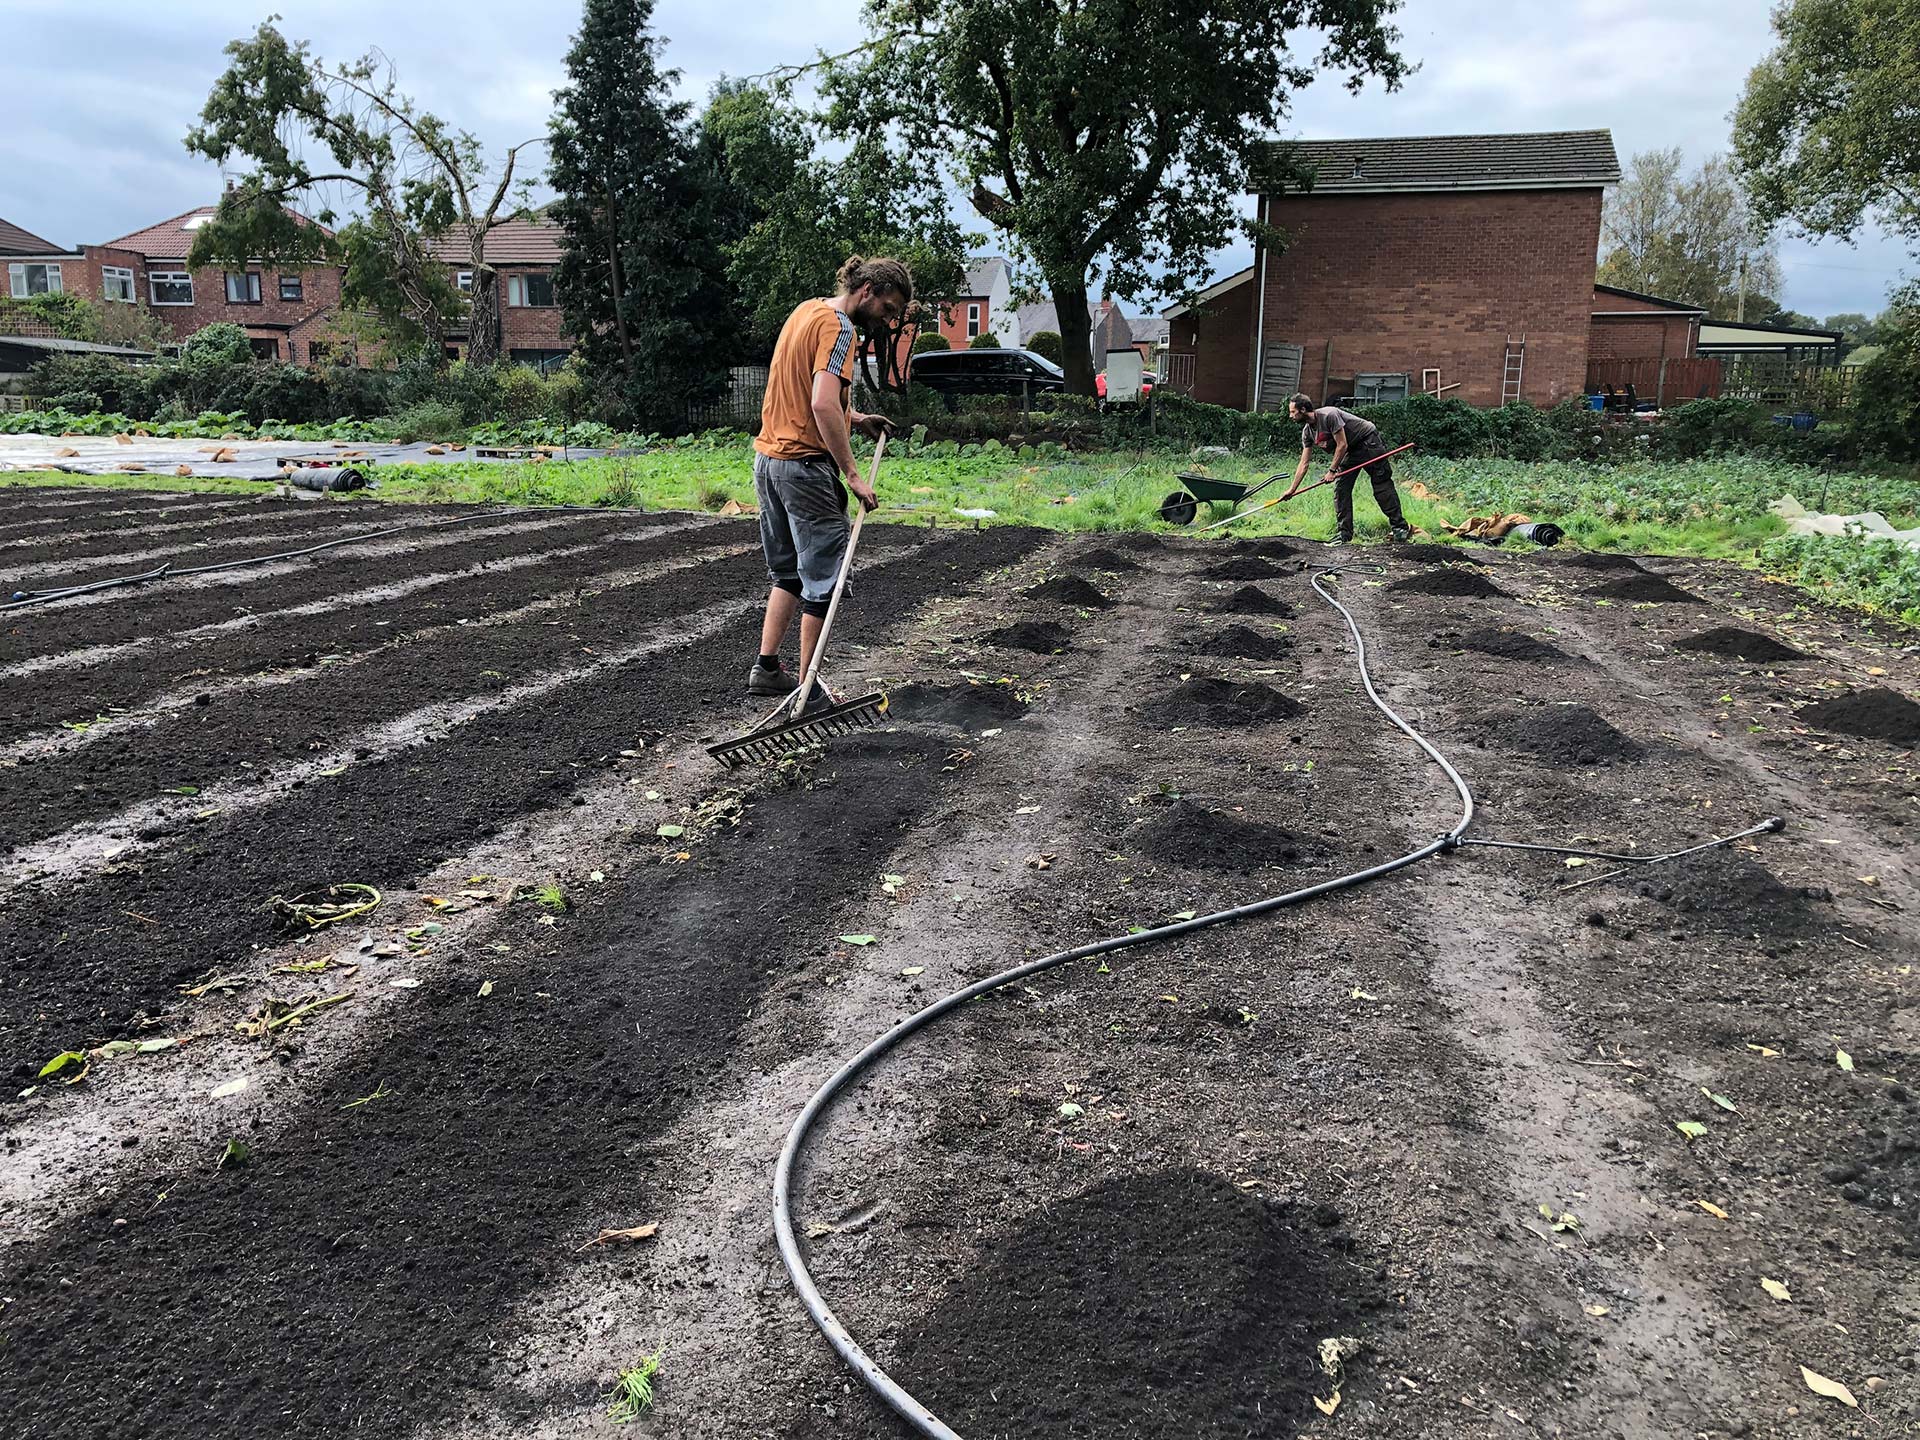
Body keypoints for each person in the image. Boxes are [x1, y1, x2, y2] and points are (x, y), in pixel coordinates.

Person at [747, 256, 911, 699]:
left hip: (768, 461)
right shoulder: (840, 328)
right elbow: (821, 404)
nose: (888, 319)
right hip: (804, 468)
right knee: (825, 579)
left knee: (787, 574)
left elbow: (806, 392)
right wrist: (853, 474)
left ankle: (766, 669)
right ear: (868, 290)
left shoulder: (805, 311)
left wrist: (853, 418)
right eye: (889, 308)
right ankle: (808, 689)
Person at [1279, 393, 1411, 543]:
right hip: (1352, 450)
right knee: (1341, 488)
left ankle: (1400, 527)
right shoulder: (1307, 432)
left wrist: (1332, 471)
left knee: (1381, 485)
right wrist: (1292, 490)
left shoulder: (1330, 415)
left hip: (1368, 441)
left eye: (1292, 411)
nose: (1290, 415)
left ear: (1303, 409)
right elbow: (1304, 463)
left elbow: (1342, 444)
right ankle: (1344, 534)